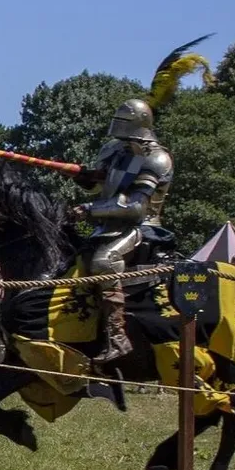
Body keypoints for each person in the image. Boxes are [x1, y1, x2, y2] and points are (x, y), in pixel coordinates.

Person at [70, 97, 173, 366]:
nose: (119, 128)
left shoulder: (157, 158)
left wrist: (89, 208)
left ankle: (118, 337)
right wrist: (84, 177)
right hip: (108, 226)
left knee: (104, 261)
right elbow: (104, 185)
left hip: (142, 227)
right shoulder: (117, 150)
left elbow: (137, 206)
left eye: (125, 123)